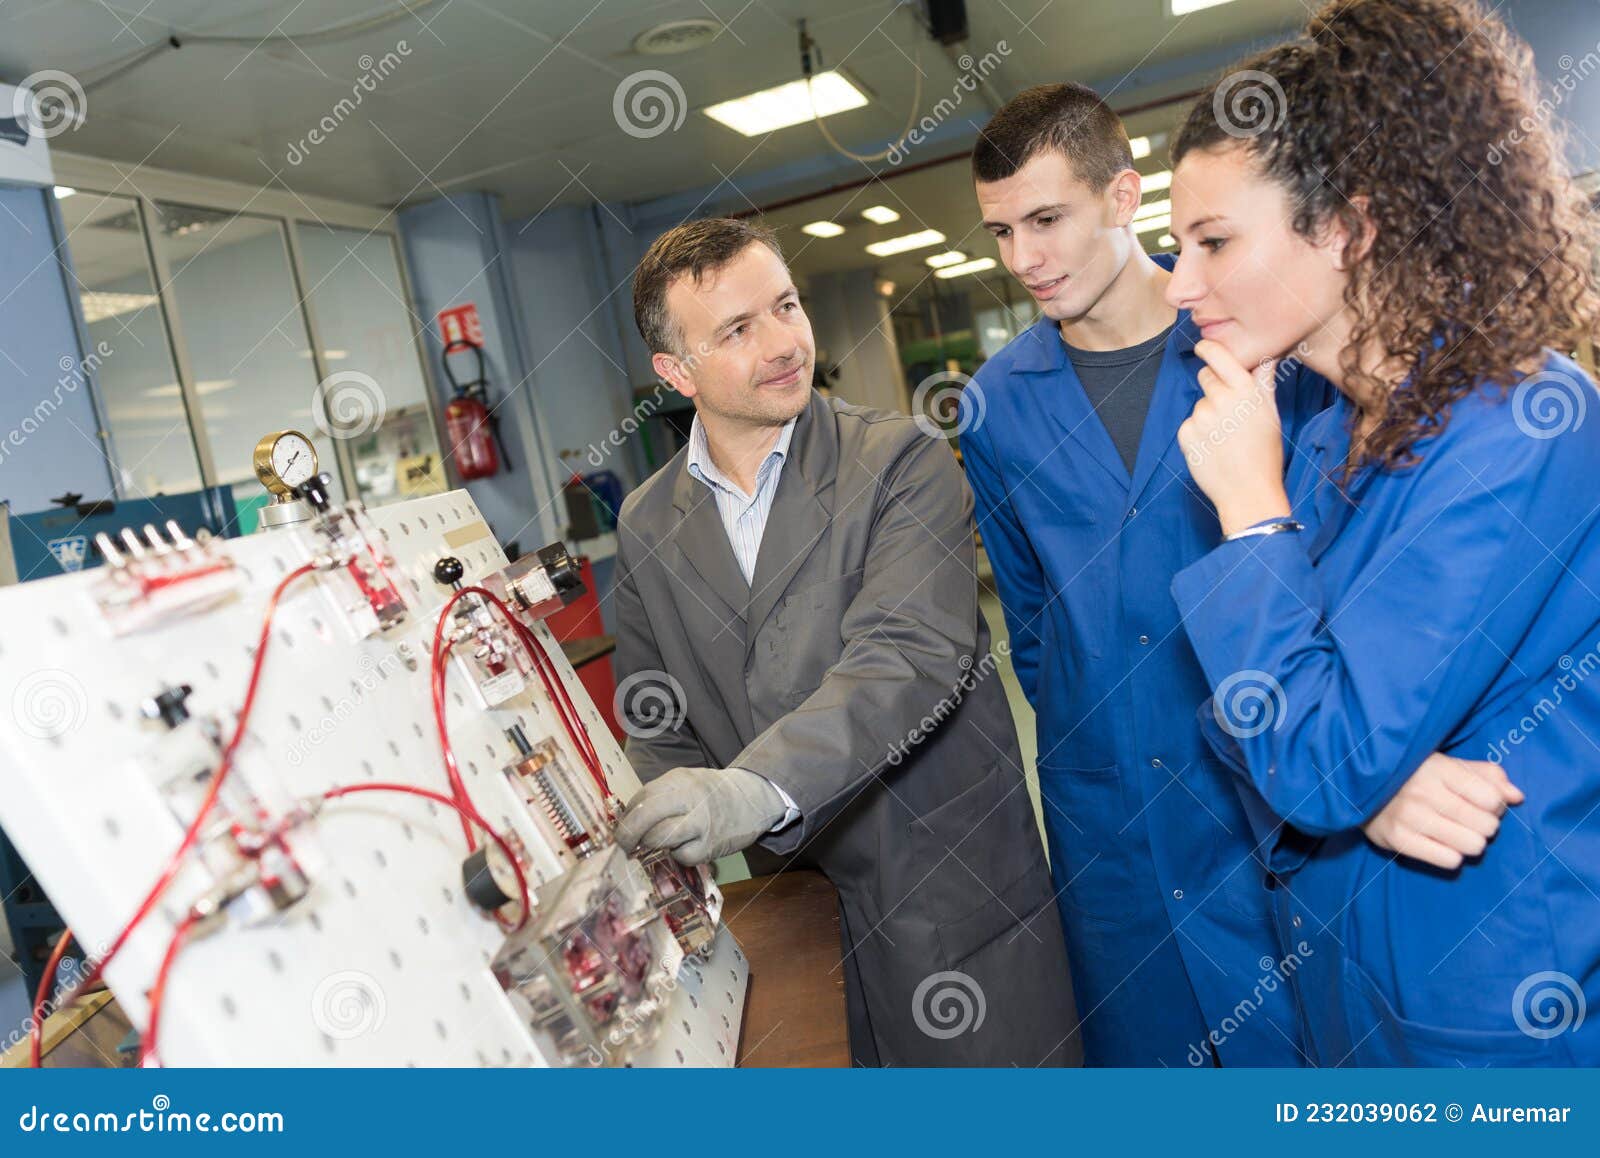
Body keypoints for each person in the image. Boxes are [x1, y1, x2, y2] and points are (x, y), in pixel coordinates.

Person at [962, 82, 1517, 1066]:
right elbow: (1032, 622)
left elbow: (1336, 571)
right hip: (1109, 817)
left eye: (1045, 220)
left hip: (1266, 791)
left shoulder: (1263, 337)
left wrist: (1352, 758)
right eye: (1000, 233)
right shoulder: (996, 406)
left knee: (1309, 1054)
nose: (1023, 260)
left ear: (1123, 196)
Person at [1166, 0, 1600, 1065]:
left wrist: (1250, 515)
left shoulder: (1525, 430)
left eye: (1213, 242)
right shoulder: (1326, 435)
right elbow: (1244, 726)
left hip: (1484, 1010)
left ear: (1349, 227)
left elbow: (1313, 755)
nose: (1181, 288)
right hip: (1347, 977)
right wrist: (1372, 792)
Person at [609, 216, 1079, 1066]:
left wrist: (749, 792)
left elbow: (904, 658)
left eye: (786, 306)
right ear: (676, 373)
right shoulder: (646, 521)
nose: (785, 342)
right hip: (796, 909)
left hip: (948, 894)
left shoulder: (901, 461)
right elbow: (659, 715)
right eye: (739, 330)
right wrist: (647, 824)